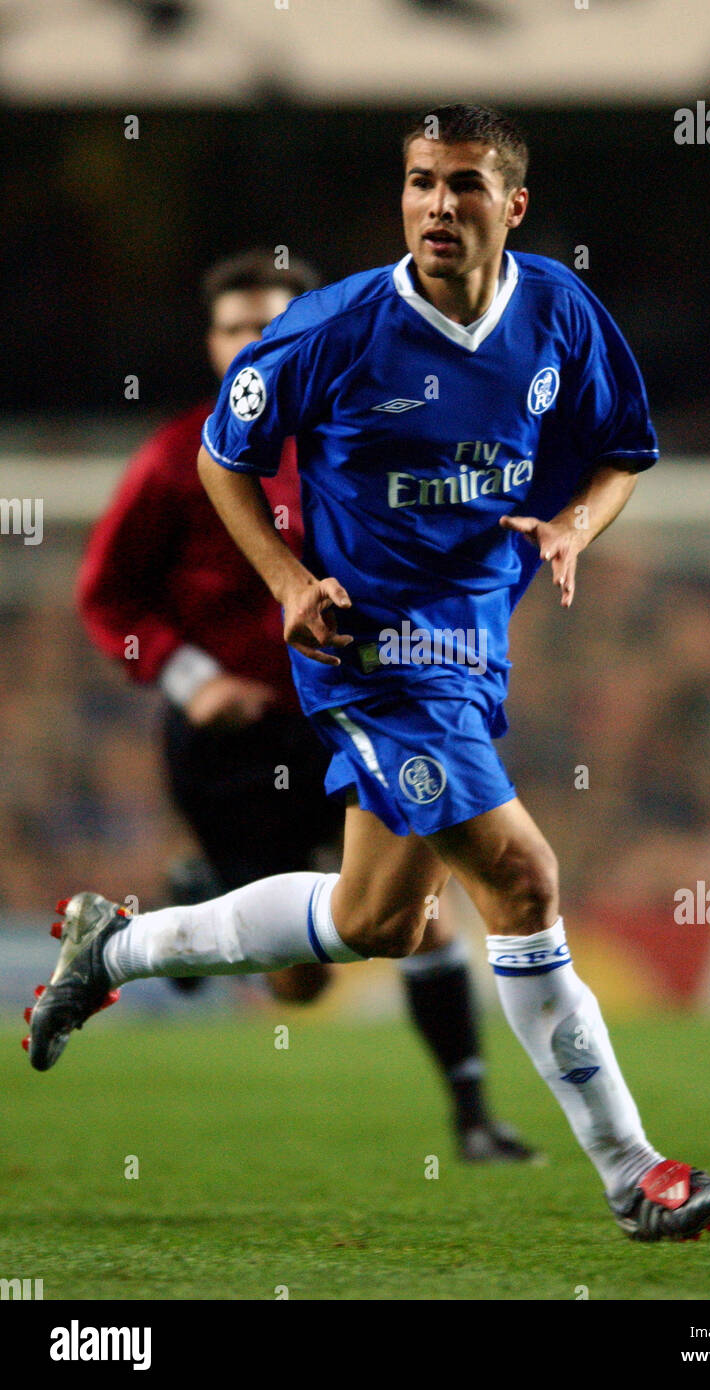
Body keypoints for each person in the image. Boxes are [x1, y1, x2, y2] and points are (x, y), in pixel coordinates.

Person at [27, 105, 710, 1240]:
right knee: (520, 878)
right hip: (370, 656)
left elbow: (618, 453)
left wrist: (572, 527)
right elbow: (227, 457)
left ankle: (112, 946)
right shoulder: (337, 327)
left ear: (510, 206)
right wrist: (283, 578)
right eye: (420, 183)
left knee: (379, 922)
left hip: (469, 648)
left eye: (463, 186)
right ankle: (635, 1175)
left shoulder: (559, 310)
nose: (437, 206)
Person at [72, 247, 539, 1164]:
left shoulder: (365, 435)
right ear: (211, 345)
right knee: (299, 986)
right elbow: (107, 597)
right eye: (235, 328)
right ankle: (201, 906)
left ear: (312, 332)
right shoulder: (178, 461)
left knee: (420, 909)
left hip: (368, 708)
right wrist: (189, 680)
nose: (254, 342)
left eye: (270, 326)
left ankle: (474, 1115)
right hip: (238, 742)